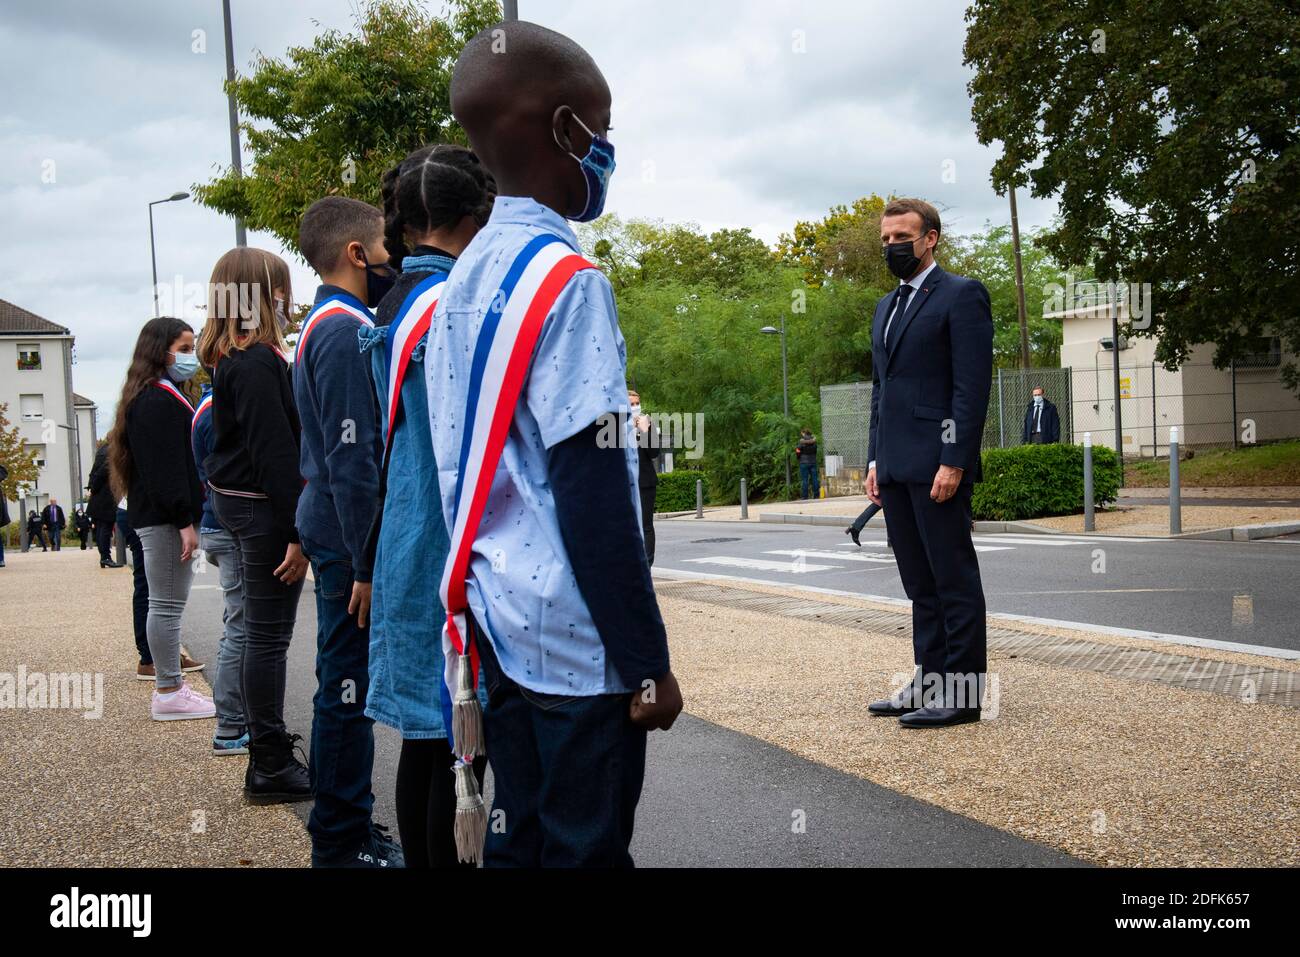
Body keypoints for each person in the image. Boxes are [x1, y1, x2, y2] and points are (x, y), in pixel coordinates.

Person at [431, 19, 682, 867]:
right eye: (602, 131)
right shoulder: (568, 286)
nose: (608, 150)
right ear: (565, 128)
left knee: (519, 840)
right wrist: (648, 659)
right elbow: (592, 486)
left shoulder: (464, 279)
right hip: (578, 645)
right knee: (587, 849)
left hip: (497, 624)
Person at [361, 143, 493, 868]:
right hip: (451, 540)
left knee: (427, 737)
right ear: (476, 215)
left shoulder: (394, 301)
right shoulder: (450, 306)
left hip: (407, 538)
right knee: (460, 740)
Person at [293, 196, 402, 868]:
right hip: (344, 535)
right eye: (388, 244)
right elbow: (351, 456)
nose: (398, 256)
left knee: (344, 682)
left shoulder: (329, 321)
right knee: (346, 688)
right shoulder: (343, 329)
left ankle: (347, 824)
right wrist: (367, 561)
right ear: (358, 254)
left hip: (332, 528)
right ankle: (340, 838)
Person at [865, 197, 993, 729]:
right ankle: (928, 681)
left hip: (939, 465)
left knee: (952, 580)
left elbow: (970, 388)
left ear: (930, 238)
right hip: (895, 467)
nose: (893, 246)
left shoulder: (961, 296)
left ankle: (962, 697)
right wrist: (874, 459)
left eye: (903, 237)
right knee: (919, 584)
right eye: (887, 239)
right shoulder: (886, 306)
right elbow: (881, 391)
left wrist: (954, 460)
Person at [199, 246, 311, 804]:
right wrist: (299, 531)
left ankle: (265, 751)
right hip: (263, 508)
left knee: (257, 633)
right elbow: (275, 454)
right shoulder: (259, 361)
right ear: (264, 293)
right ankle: (268, 760)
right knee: (268, 637)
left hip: (241, 504)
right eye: (282, 288)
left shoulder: (233, 358)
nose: (289, 299)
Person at [107, 316, 213, 721]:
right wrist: (184, 521)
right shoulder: (154, 400)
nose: (190, 356)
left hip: (164, 516)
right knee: (167, 604)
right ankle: (169, 689)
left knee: (165, 602)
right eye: (184, 349)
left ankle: (169, 685)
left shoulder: (154, 396)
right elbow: (165, 468)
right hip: (166, 519)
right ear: (160, 350)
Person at [192, 383, 250, 756]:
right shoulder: (218, 409)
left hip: (217, 525)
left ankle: (233, 718)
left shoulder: (207, 404)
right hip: (229, 528)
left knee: (237, 622)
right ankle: (229, 726)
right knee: (242, 627)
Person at [628, 388, 661, 564]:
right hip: (624, 483)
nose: (635, 407)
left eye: (637, 403)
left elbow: (654, 453)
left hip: (645, 482)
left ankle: (647, 565)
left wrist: (644, 432)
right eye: (631, 404)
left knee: (646, 525)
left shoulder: (647, 423)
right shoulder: (616, 425)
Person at [87, 445, 121, 567]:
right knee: (106, 528)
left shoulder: (101, 450)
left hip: (98, 497)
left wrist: (92, 487)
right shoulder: (112, 451)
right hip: (106, 496)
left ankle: (104, 556)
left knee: (101, 528)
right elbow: (103, 471)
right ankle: (105, 557)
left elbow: (93, 472)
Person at [795, 429, 820, 499]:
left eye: (802, 433)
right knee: (815, 479)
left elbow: (797, 450)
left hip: (804, 463)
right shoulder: (814, 442)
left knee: (805, 480)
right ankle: (816, 495)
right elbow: (815, 451)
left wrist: (798, 457)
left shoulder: (802, 441)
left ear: (804, 433)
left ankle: (805, 496)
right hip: (813, 462)